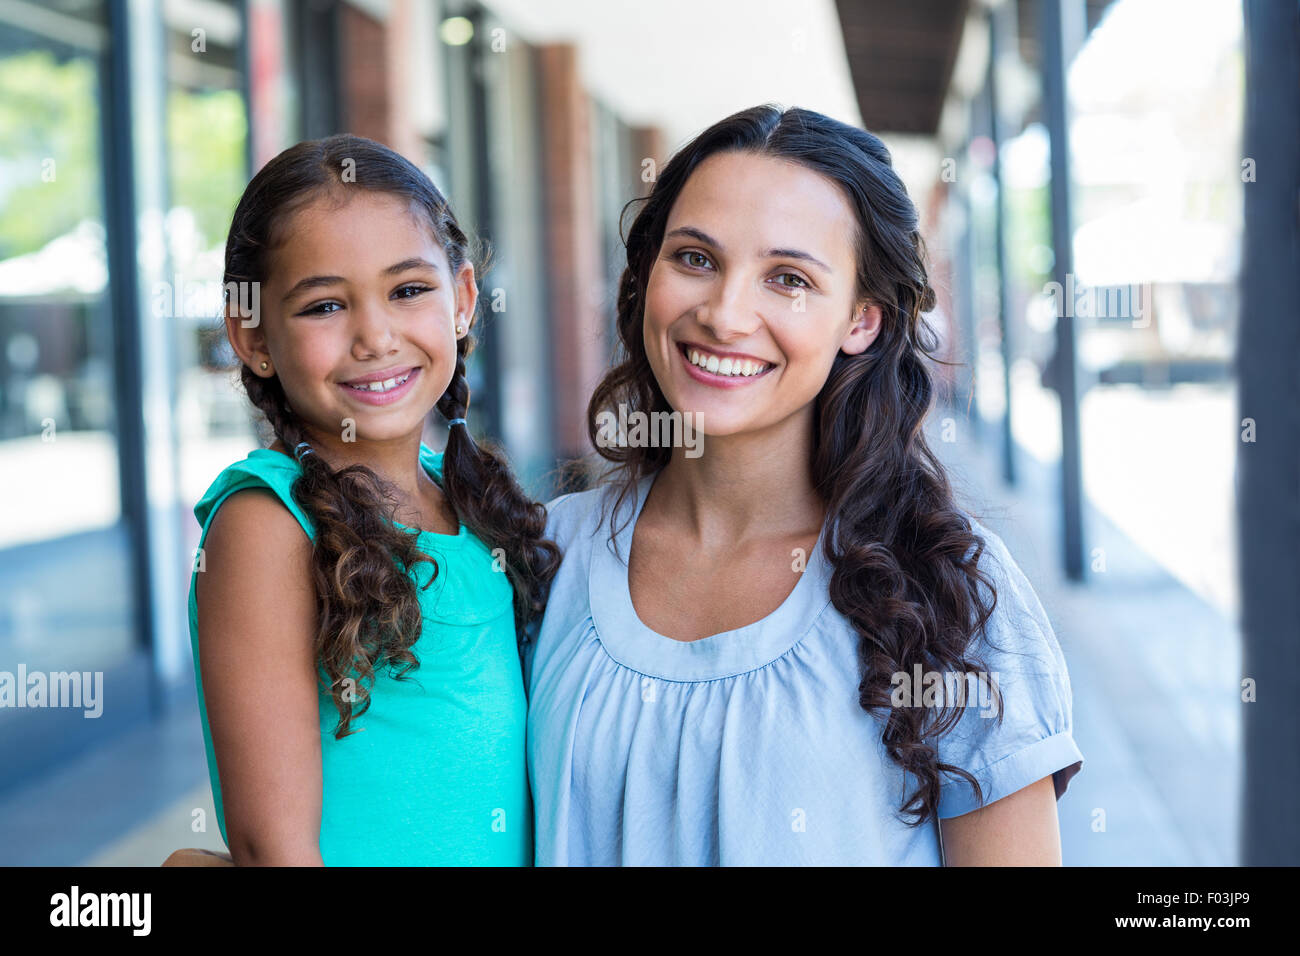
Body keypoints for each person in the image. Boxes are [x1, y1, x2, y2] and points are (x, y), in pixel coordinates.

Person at [525, 104, 1085, 866]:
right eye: (694, 258)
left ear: (861, 320)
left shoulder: (947, 586)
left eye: (787, 278)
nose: (724, 314)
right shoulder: (545, 556)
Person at [171, 134, 558, 866]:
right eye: (323, 306)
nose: (375, 337)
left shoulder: (470, 503)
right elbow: (272, 847)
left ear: (464, 300)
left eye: (409, 291)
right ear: (251, 337)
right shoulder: (267, 523)